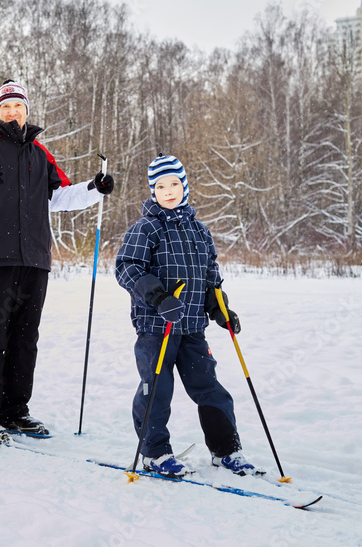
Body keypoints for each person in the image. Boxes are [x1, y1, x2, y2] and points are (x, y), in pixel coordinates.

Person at [0, 79, 115, 442]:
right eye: (6, 107)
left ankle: (14, 411)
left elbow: (61, 196)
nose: (12, 112)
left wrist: (95, 188)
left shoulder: (40, 154)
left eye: (18, 106)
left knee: (25, 339)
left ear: (27, 110)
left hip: (35, 259)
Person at [114, 154, 262, 479]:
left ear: (185, 186)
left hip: (194, 326)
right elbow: (126, 267)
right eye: (161, 186)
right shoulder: (146, 228)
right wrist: (158, 296)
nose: (169, 191)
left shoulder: (200, 231)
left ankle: (226, 451)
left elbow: (211, 277)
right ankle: (155, 453)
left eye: (175, 184)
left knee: (210, 388)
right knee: (157, 389)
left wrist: (220, 309)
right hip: (157, 327)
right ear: (153, 191)